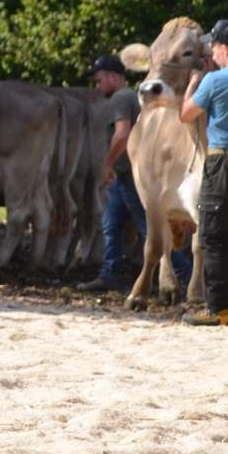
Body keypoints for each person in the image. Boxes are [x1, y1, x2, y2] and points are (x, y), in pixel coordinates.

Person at [179, 19, 228, 327]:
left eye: (215, 47)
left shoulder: (215, 81)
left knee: (213, 235)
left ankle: (218, 308)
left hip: (223, 162)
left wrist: (194, 82)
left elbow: (187, 114)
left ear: (224, 49)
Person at [77, 54, 144, 292]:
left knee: (147, 227)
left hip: (129, 174)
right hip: (127, 174)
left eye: (99, 80)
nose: (97, 86)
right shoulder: (133, 95)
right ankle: (109, 275)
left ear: (113, 77)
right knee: (111, 224)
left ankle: (183, 275)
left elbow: (122, 134)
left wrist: (107, 164)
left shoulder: (121, 98)